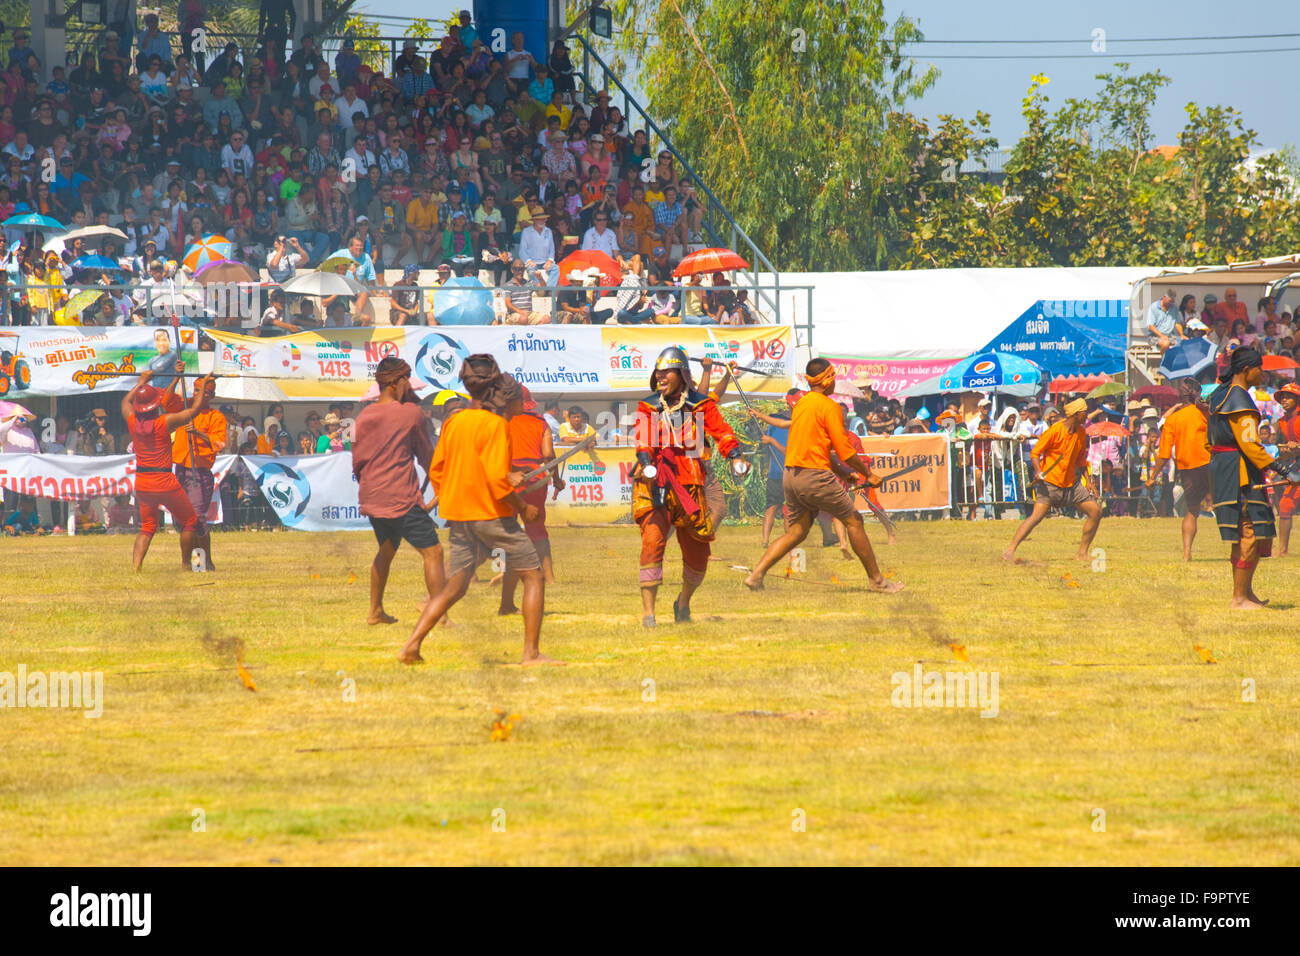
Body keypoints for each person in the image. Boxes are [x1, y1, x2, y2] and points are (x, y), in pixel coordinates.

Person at [397, 355, 558, 666]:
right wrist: (524, 507)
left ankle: (411, 645)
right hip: (491, 516)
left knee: (454, 585)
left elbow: (439, 469)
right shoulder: (497, 426)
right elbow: (498, 483)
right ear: (501, 392)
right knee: (534, 576)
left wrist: (452, 496)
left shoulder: (454, 421)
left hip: (458, 516)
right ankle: (531, 654)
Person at [743, 359, 902, 594]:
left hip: (791, 476)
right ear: (827, 380)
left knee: (796, 532)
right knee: (854, 521)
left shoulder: (802, 404)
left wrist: (841, 473)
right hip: (814, 476)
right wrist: (868, 473)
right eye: (834, 376)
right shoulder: (830, 407)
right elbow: (846, 451)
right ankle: (877, 581)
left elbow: (820, 447)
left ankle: (756, 576)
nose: (836, 381)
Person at [633, 347, 747, 626]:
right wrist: (646, 459)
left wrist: (735, 456)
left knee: (698, 554)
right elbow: (643, 439)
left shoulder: (700, 405)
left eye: (666, 371)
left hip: (692, 483)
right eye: (658, 371)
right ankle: (649, 614)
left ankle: (682, 602)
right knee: (652, 543)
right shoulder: (648, 406)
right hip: (654, 482)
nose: (661, 376)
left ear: (682, 374)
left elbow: (722, 432)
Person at [351, 357, 447, 626]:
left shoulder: (363, 417)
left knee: (387, 548)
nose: (409, 385)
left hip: (372, 496)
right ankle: (439, 617)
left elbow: (356, 460)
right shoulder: (411, 414)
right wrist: (442, 486)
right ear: (395, 382)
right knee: (434, 552)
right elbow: (427, 457)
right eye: (406, 379)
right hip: (401, 496)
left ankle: (375, 612)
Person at [1207, 348, 1299, 609]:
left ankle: (1246, 594)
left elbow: (1210, 440)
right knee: (1249, 532)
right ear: (1246, 370)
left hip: (1225, 469)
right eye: (1259, 368)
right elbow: (1249, 444)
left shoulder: (1218, 396)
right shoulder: (1240, 401)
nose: (1263, 373)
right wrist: (1282, 470)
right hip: (1241, 473)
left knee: (1248, 532)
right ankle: (1239, 598)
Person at [121, 369, 213, 571]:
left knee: (147, 527)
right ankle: (186, 565)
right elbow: (194, 411)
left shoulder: (132, 422)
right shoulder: (164, 422)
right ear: (155, 405)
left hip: (143, 481)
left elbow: (125, 403)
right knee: (190, 521)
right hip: (164, 479)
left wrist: (141, 382)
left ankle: (136, 568)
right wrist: (203, 386)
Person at [1003, 397, 1103, 563]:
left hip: (1071, 484)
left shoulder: (1080, 432)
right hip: (1049, 484)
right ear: (1076, 414)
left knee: (1095, 512)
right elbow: (1035, 453)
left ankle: (1082, 553)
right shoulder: (1054, 431)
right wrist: (1038, 471)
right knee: (1035, 517)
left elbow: (1080, 461)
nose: (1086, 417)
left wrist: (1089, 482)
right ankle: (1010, 550)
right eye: (1084, 413)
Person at [500, 386, 564, 613]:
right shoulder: (540, 423)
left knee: (503, 528)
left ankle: (499, 570)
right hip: (535, 476)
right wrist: (556, 479)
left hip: (507, 476)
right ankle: (550, 576)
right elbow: (548, 455)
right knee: (537, 529)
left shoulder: (501, 421)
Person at [1142, 378, 1211, 560]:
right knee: (1230, 505)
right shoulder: (1208, 412)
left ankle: (1186, 553)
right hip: (1212, 464)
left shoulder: (1173, 419)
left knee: (1192, 511)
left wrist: (1152, 477)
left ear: (1181, 395)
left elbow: (1164, 455)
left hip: (1189, 469)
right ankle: (1243, 549)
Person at [171, 375, 227, 570]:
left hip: (199, 473)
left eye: (205, 392)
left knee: (195, 518)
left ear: (212, 395)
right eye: (197, 390)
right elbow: (165, 399)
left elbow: (220, 443)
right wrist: (177, 375)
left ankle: (202, 562)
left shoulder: (216, 417)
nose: (200, 395)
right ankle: (198, 563)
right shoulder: (182, 408)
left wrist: (198, 433)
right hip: (180, 470)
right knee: (181, 521)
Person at [748, 391, 798, 546]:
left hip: (786, 473)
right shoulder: (788, 424)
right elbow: (779, 449)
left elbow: (781, 447)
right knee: (780, 508)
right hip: (782, 474)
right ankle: (767, 540)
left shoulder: (788, 423)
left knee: (779, 508)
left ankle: (776, 540)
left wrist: (770, 440)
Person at [1272, 382, 1300, 555]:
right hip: (1296, 467)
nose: (1284, 400)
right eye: (1282, 397)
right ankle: (1282, 550)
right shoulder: (1282, 422)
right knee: (1285, 505)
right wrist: (1284, 452)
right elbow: (1283, 452)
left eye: (1288, 396)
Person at [1145, 289, 1180, 353]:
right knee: (1165, 343)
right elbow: (1150, 326)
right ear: (1164, 297)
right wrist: (1162, 336)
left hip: (1170, 336)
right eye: (1170, 301)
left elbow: (1177, 324)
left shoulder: (1174, 308)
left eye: (1173, 301)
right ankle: (1164, 362)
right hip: (1154, 336)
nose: (1171, 303)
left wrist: (1182, 334)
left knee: (1184, 343)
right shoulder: (1154, 307)